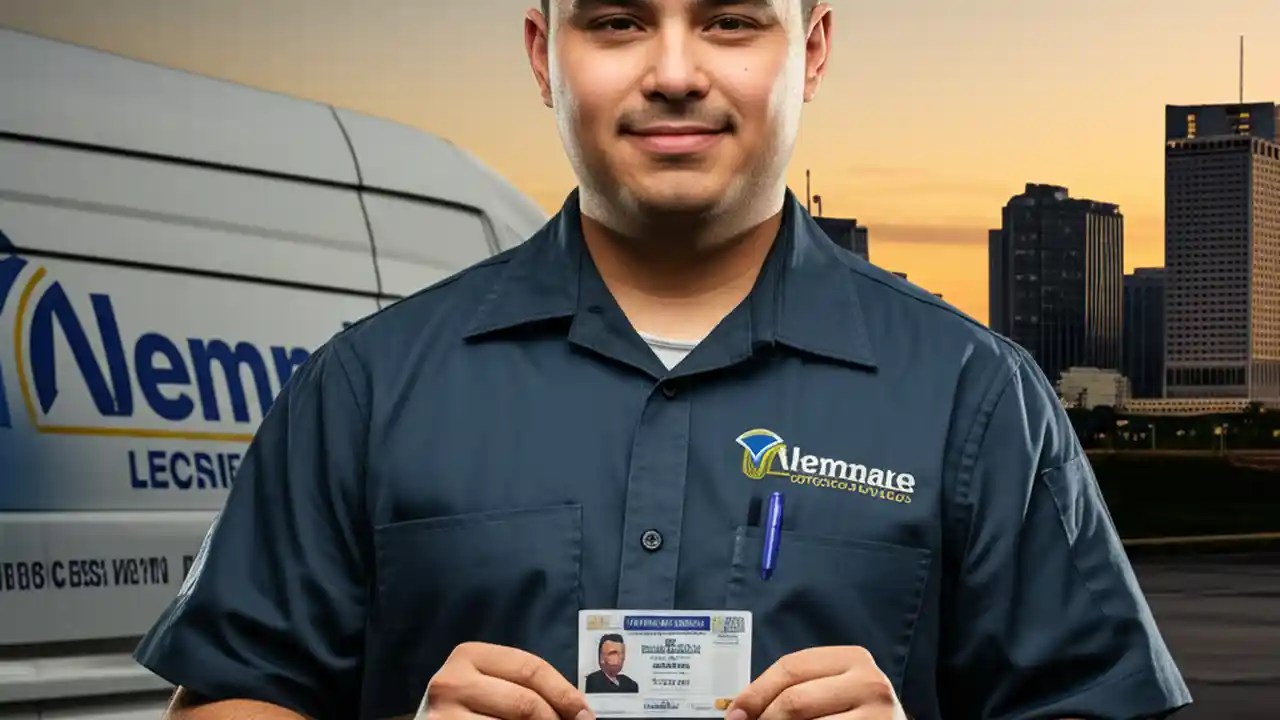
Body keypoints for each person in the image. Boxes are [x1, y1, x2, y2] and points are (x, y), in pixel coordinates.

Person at [135, 1, 1193, 719]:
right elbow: (231, 689)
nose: (675, 72)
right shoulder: (363, 388)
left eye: (730, 20)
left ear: (812, 48)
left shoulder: (975, 397)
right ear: (543, 53)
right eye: (616, 20)